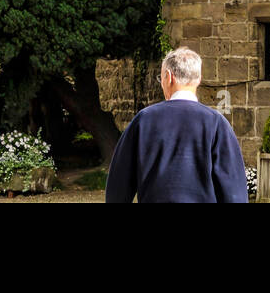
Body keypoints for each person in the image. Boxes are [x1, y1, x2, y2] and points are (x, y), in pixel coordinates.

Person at [105, 46, 249, 203]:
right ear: (198, 79)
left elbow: (118, 188)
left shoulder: (143, 120)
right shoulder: (216, 123)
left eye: (161, 78)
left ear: (169, 77)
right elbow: (234, 192)